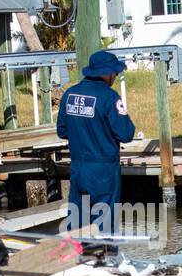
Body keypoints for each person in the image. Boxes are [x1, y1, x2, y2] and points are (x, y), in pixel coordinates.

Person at [56, 49, 135, 233]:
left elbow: (62, 130)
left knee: (77, 222)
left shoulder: (70, 95)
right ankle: (104, 258)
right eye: (115, 72)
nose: (115, 76)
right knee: (104, 223)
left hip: (78, 169)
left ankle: (78, 258)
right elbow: (126, 134)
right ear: (106, 73)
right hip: (103, 172)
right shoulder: (109, 97)